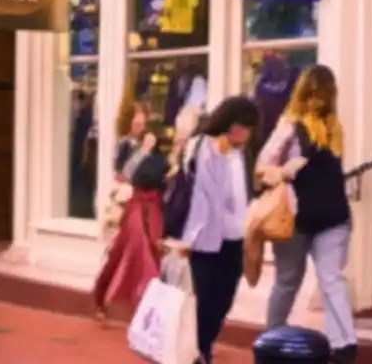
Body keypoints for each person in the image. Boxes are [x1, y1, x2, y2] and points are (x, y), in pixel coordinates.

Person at [256, 64, 357, 364]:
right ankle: (272, 338)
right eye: (315, 96)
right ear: (305, 95)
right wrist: (284, 172)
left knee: (329, 278)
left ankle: (345, 345)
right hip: (296, 218)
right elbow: (263, 168)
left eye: (324, 96)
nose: (319, 103)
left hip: (331, 218)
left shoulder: (335, 129)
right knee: (290, 279)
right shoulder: (289, 126)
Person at [178, 96, 261, 364]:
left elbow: (240, 194)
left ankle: (204, 345)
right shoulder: (203, 146)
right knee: (206, 297)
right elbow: (211, 193)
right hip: (204, 238)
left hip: (235, 237)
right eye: (246, 127)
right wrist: (219, 153)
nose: (248, 135)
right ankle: (200, 351)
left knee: (225, 297)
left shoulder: (240, 154)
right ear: (232, 124)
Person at [93, 99, 167, 320]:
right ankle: (142, 302)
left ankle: (136, 300)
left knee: (148, 249)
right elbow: (125, 173)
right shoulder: (125, 145)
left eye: (143, 115)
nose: (140, 120)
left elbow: (160, 170)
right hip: (133, 204)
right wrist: (144, 151)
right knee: (137, 249)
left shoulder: (153, 143)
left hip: (152, 203)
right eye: (136, 116)